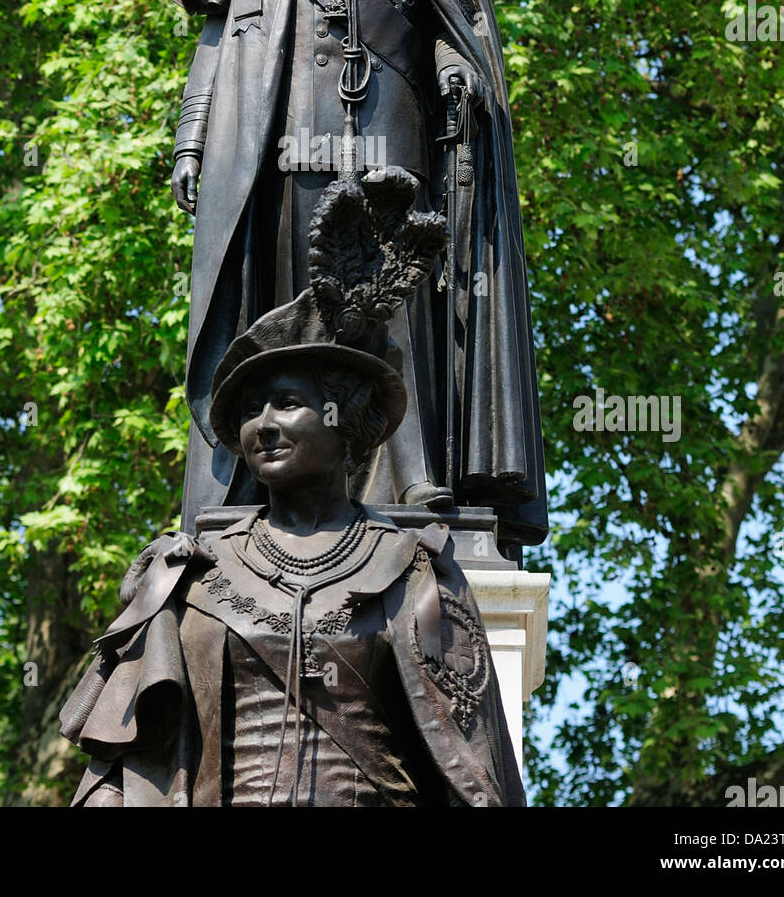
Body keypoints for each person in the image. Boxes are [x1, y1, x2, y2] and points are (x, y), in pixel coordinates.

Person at [161, 0, 546, 549]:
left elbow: (451, 20)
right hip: (283, 130)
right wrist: (193, 139)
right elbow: (219, 38)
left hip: (392, 129)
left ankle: (411, 472)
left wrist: (456, 73)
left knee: (392, 291)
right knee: (290, 297)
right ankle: (276, 479)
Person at [60, 171, 525, 806]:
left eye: (286, 404)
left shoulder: (414, 571)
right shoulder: (188, 573)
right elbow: (120, 766)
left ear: (344, 423)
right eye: (252, 410)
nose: (263, 426)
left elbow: (474, 760)